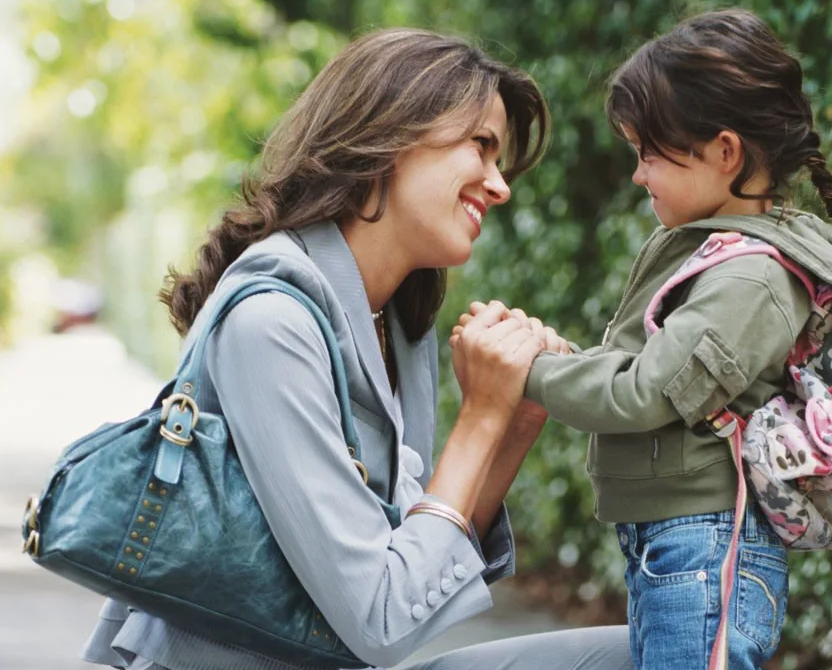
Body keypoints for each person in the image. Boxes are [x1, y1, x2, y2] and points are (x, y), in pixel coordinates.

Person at [80, 27, 630, 670]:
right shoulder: (270, 324)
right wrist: (479, 418)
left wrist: (514, 421)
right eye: (480, 147)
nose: (499, 185)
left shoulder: (397, 323)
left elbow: (411, 563)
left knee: (672, 649)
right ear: (390, 136)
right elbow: (382, 618)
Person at [452, 8, 832, 670]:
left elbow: (642, 394)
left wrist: (523, 372)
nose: (638, 175)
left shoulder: (751, 276)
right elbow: (657, 379)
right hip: (682, 544)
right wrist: (555, 360)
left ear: (725, 152)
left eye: (648, 155)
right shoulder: (711, 252)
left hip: (707, 548)